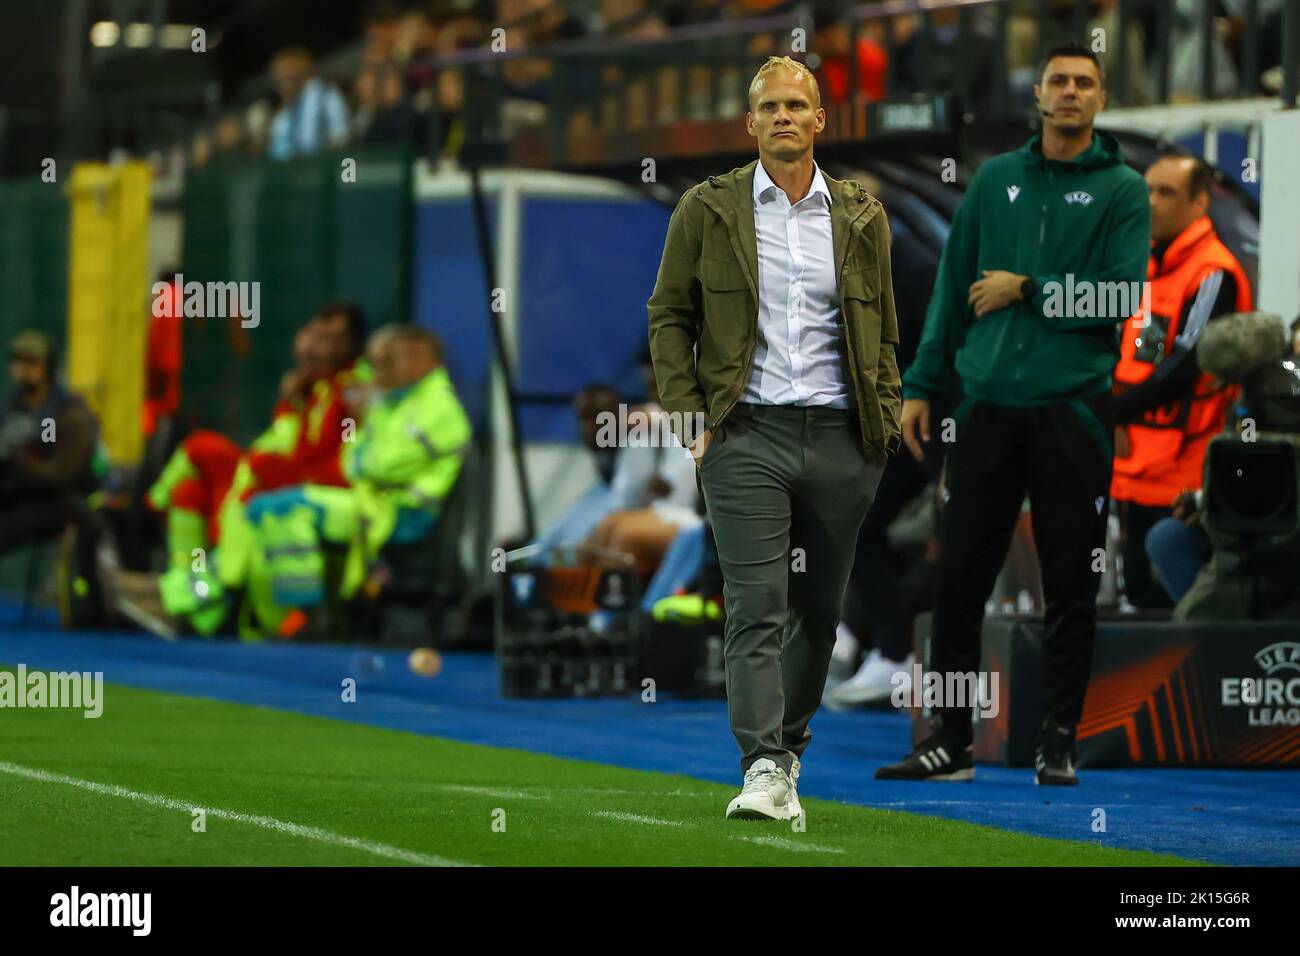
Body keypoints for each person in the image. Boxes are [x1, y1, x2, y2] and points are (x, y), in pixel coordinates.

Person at [876, 43, 1150, 786]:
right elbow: (952, 293)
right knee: (957, 584)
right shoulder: (994, 180)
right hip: (986, 407)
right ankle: (950, 742)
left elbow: (1121, 300)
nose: (1070, 92)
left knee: (1071, 583)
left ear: (1100, 99)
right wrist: (922, 383)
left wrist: (1027, 288)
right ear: (1037, 95)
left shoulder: (1125, 190)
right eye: (1058, 81)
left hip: (1074, 410)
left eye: (1084, 83)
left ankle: (1058, 738)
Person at [648, 55, 902, 821]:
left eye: (799, 104)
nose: (785, 116)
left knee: (819, 615)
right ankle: (761, 765)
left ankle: (787, 753)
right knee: (755, 604)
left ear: (821, 120)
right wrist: (693, 421)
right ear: (751, 123)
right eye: (771, 107)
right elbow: (669, 317)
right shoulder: (707, 207)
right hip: (744, 433)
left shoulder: (862, 215)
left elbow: (886, 332)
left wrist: (881, 427)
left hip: (840, 436)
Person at [246, 325, 471, 631]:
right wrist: (364, 447)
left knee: (289, 508)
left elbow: (383, 465)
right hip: (372, 505)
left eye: (393, 359)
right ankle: (293, 619)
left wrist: (365, 457)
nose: (382, 369)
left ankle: (309, 622)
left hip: (403, 516)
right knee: (265, 507)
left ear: (422, 357)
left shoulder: (439, 407)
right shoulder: (394, 403)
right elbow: (350, 460)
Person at [1111, 153, 1251, 609]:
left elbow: (1189, 363)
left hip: (1184, 473)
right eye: (1146, 191)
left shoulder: (1213, 271)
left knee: (1174, 613)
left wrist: (1112, 409)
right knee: (1135, 597)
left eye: (1166, 192)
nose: (1150, 202)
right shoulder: (1142, 268)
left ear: (1200, 203)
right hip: (1132, 468)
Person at [0, 331, 99, 555]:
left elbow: (60, 472)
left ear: (47, 366)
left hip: (56, 501)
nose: (23, 369)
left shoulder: (63, 412)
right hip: (16, 492)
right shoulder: (12, 406)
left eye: (32, 362)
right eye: (18, 361)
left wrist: (21, 458)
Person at [266, 47, 350, 160]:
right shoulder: (284, 115)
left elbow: (341, 139)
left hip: (326, 168)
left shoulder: (327, 97)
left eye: (288, 77)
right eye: (279, 79)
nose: (282, 85)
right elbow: (279, 152)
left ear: (305, 73)